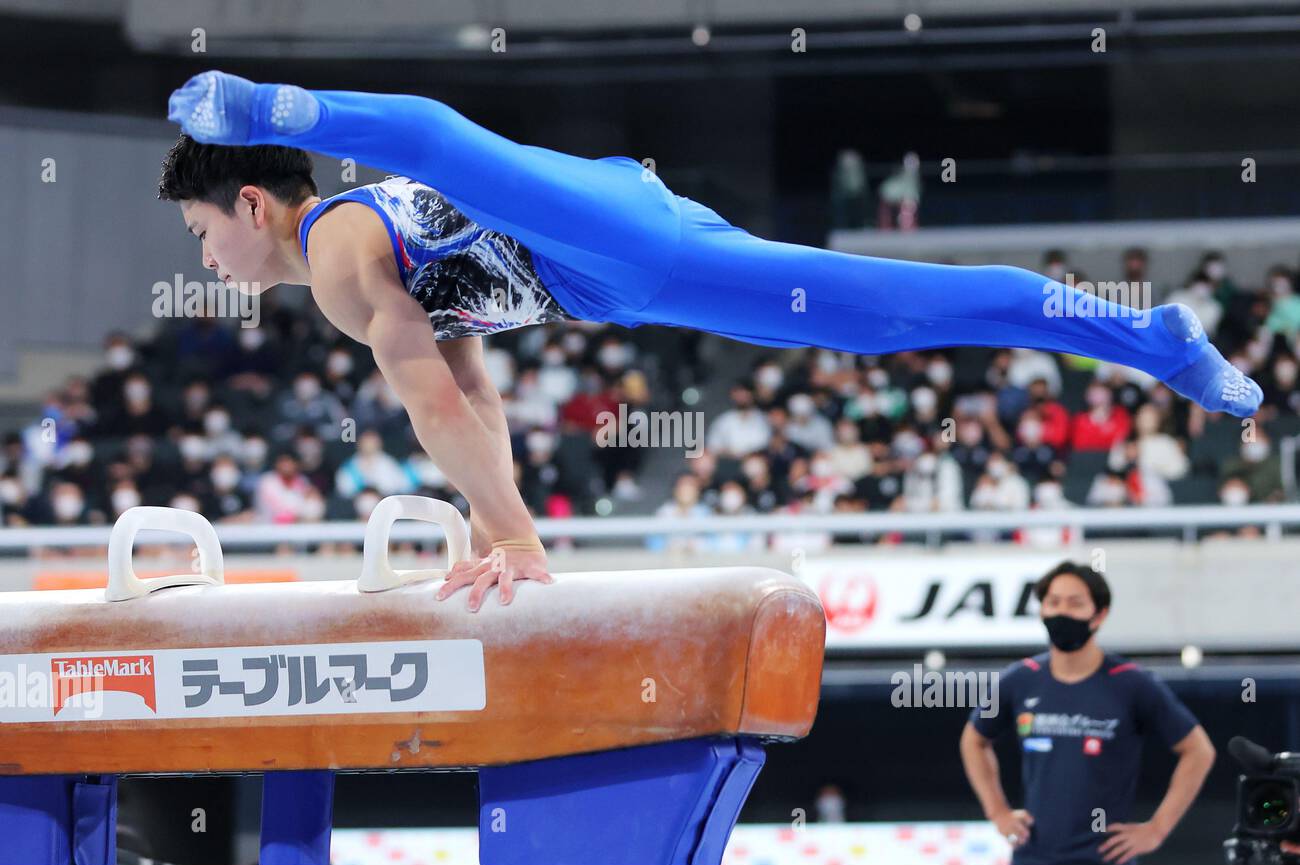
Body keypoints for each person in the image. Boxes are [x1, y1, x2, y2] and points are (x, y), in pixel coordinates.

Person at [160, 70, 1263, 609]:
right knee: (887, 317)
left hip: (591, 241)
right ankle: (1155, 338)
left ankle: (270, 105)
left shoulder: (344, 263)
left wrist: (524, 544)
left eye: (202, 233)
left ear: (251, 205)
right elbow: (474, 397)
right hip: (617, 269)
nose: (204, 261)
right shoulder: (357, 265)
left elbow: (434, 408)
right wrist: (504, 530)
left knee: (445, 142)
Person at [959, 561, 1216, 865]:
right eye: (1053, 602)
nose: (1062, 612)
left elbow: (1199, 750)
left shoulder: (1132, 683)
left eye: (1075, 603)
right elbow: (973, 740)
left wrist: (1157, 829)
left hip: (1105, 858)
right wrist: (998, 812)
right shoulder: (1020, 679)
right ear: (1041, 610)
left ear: (1099, 614)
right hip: (1034, 856)